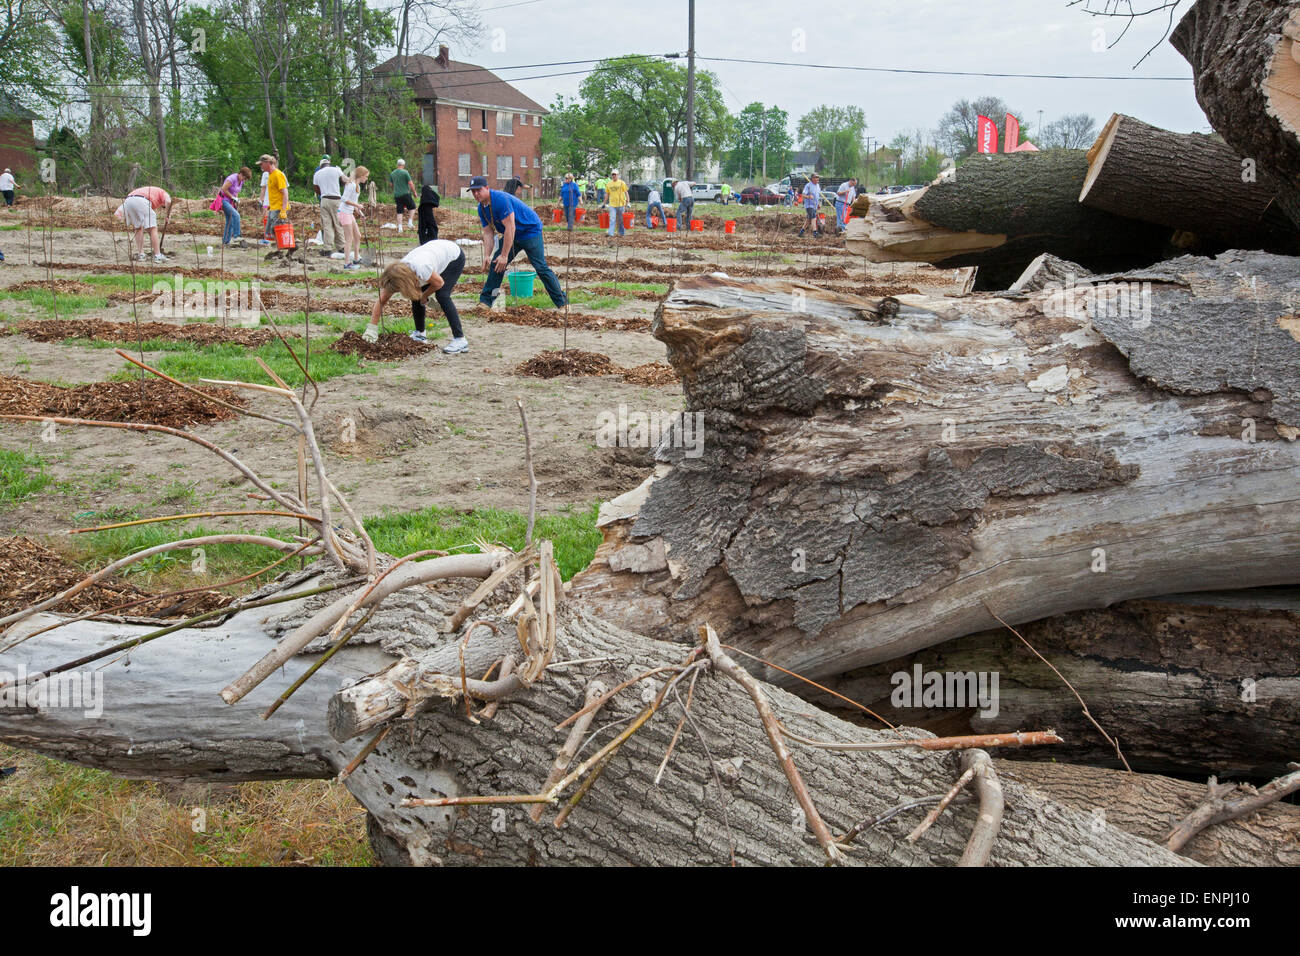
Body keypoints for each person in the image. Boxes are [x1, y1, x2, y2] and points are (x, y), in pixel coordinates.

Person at [468, 174, 566, 310]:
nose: (476, 194)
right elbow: (488, 232)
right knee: (496, 265)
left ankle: (563, 304)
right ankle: (485, 302)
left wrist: (504, 255)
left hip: (529, 230)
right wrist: (487, 255)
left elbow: (510, 227)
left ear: (487, 188)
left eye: (479, 190)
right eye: (473, 191)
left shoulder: (500, 200)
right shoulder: (482, 208)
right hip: (513, 234)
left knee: (540, 267)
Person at [361, 238, 468, 352]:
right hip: (434, 252)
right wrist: (372, 327)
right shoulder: (395, 274)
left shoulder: (421, 268)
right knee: (415, 294)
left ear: (403, 283)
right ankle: (420, 334)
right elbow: (382, 300)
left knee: (442, 296)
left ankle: (460, 339)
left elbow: (439, 283)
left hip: (453, 257)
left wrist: (425, 295)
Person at [114, 185, 172, 262]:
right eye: (163, 206)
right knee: (153, 229)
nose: (162, 207)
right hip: (141, 201)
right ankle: (158, 256)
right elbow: (168, 201)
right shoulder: (164, 193)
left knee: (138, 228)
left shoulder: (152, 193)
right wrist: (168, 214)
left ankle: (141, 255)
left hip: (128, 200)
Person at [313, 156, 346, 259]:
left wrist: (323, 191)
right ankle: (341, 247)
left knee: (327, 225)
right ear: (328, 163)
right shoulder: (336, 170)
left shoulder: (317, 174)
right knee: (338, 223)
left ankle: (327, 248)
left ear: (321, 165)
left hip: (324, 200)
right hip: (336, 199)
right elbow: (345, 180)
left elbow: (316, 189)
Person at [339, 165, 368, 270]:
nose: (366, 178)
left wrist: (360, 213)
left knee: (358, 236)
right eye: (366, 176)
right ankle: (346, 263)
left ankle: (356, 258)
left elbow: (354, 203)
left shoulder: (357, 186)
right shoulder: (351, 185)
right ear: (360, 176)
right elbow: (344, 199)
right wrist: (357, 206)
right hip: (344, 213)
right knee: (349, 239)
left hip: (350, 213)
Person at [258, 154, 290, 247]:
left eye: (261, 164)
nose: (261, 166)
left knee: (276, 230)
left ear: (267, 163)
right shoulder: (270, 175)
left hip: (279, 208)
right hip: (273, 207)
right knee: (269, 231)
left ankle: (281, 249)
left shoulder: (278, 175)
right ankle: (278, 249)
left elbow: (285, 193)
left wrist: (283, 210)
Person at [217, 166, 251, 247]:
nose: (244, 180)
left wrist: (235, 199)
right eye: (244, 178)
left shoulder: (241, 181)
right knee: (236, 215)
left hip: (230, 201)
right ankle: (236, 235)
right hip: (223, 200)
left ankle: (225, 242)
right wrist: (232, 197)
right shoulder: (232, 178)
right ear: (241, 174)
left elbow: (236, 191)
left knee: (230, 221)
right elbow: (223, 189)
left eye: (246, 179)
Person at [390, 158, 415, 232]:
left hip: (397, 195)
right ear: (403, 165)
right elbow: (410, 183)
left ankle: (400, 228)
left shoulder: (392, 173)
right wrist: (414, 192)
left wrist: (396, 187)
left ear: (397, 165)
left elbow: (391, 185)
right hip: (406, 194)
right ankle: (410, 222)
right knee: (412, 207)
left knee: (399, 211)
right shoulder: (405, 172)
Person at [605, 170, 629, 237]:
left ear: (618, 175)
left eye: (615, 174)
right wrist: (604, 203)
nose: (614, 176)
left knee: (621, 220)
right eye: (613, 174)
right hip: (612, 204)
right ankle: (610, 233)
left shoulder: (622, 183)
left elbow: (626, 192)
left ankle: (621, 233)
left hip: (621, 204)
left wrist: (628, 200)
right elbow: (607, 194)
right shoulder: (609, 184)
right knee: (612, 219)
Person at [799, 173, 823, 238]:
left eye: (818, 178)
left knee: (808, 220)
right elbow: (803, 195)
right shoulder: (808, 186)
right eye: (816, 178)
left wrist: (819, 204)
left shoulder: (818, 186)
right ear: (812, 178)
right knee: (813, 218)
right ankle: (815, 233)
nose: (817, 179)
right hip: (809, 205)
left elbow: (818, 196)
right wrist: (808, 196)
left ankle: (801, 232)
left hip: (815, 205)